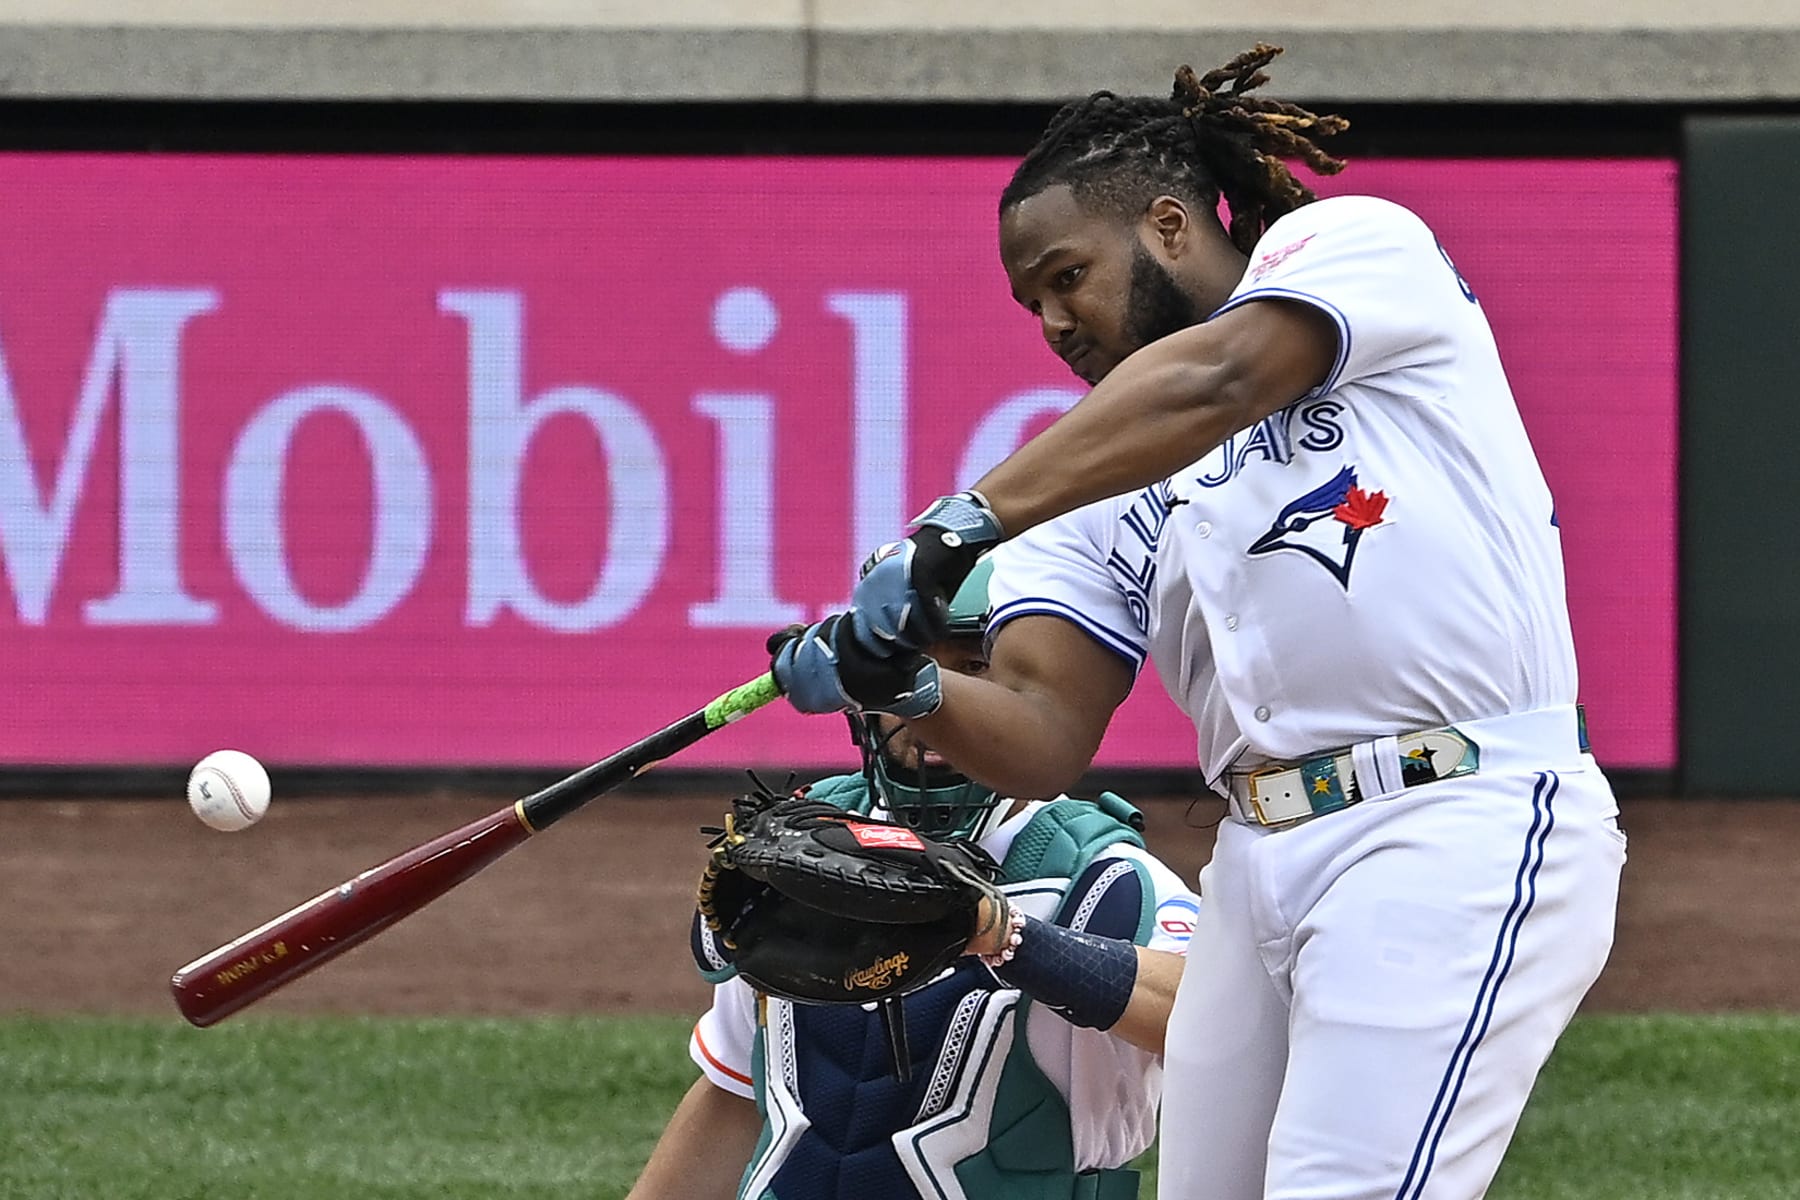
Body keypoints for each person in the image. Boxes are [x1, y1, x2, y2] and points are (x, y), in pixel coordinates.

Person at [770, 43, 1627, 1200]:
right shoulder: (1084, 487)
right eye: (1031, 302)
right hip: (1259, 863)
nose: (1053, 319)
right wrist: (908, 684)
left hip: (1454, 819)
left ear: (1170, 224)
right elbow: (1042, 728)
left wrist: (959, 522)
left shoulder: (1354, 248)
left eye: (1068, 274)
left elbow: (1220, 377)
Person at [629, 559, 1200, 1200]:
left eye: (974, 667)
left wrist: (1005, 936)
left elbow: (1214, 1014)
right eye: (908, 666)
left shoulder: (1098, 877)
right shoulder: (802, 859)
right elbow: (734, 1096)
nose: (932, 698)